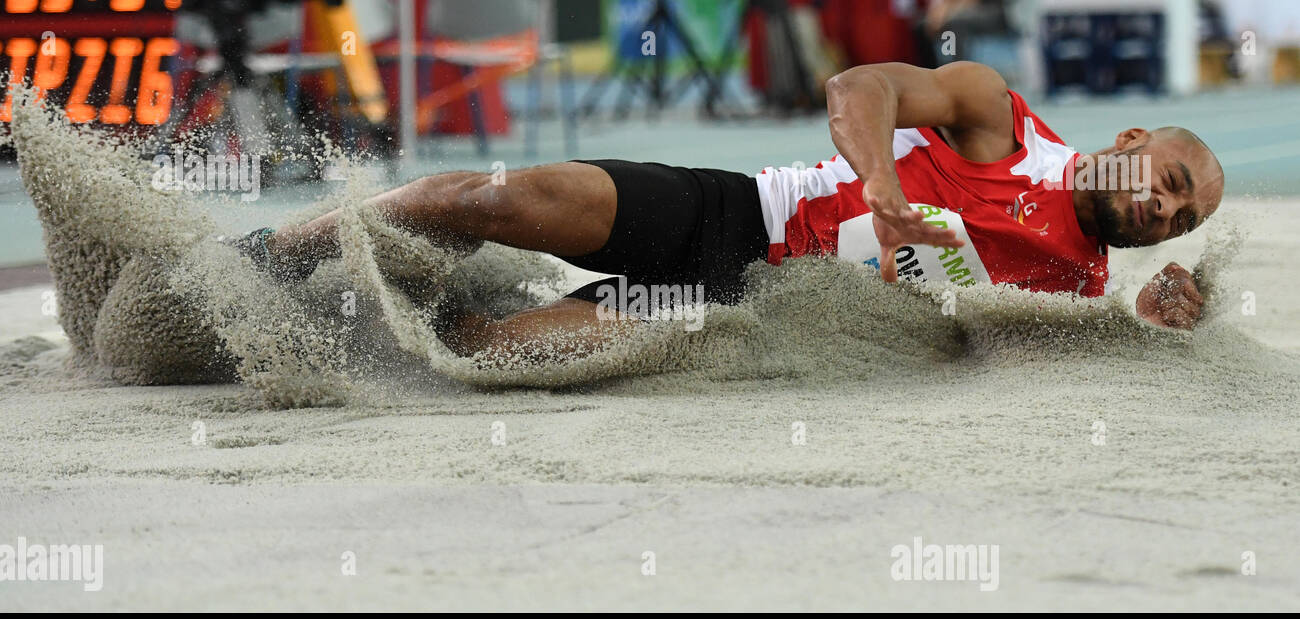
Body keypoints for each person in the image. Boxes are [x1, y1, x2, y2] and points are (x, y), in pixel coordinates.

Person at [229, 61, 1224, 361]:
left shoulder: (1078, 282)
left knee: (495, 350)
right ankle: (273, 250)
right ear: (1133, 145)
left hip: (740, 307)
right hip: (733, 216)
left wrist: (1140, 327)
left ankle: (329, 341)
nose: (1160, 212)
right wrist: (878, 178)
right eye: (1171, 183)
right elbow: (858, 88)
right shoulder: (991, 112)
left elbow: (1031, 349)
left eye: (1177, 222)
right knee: (497, 197)